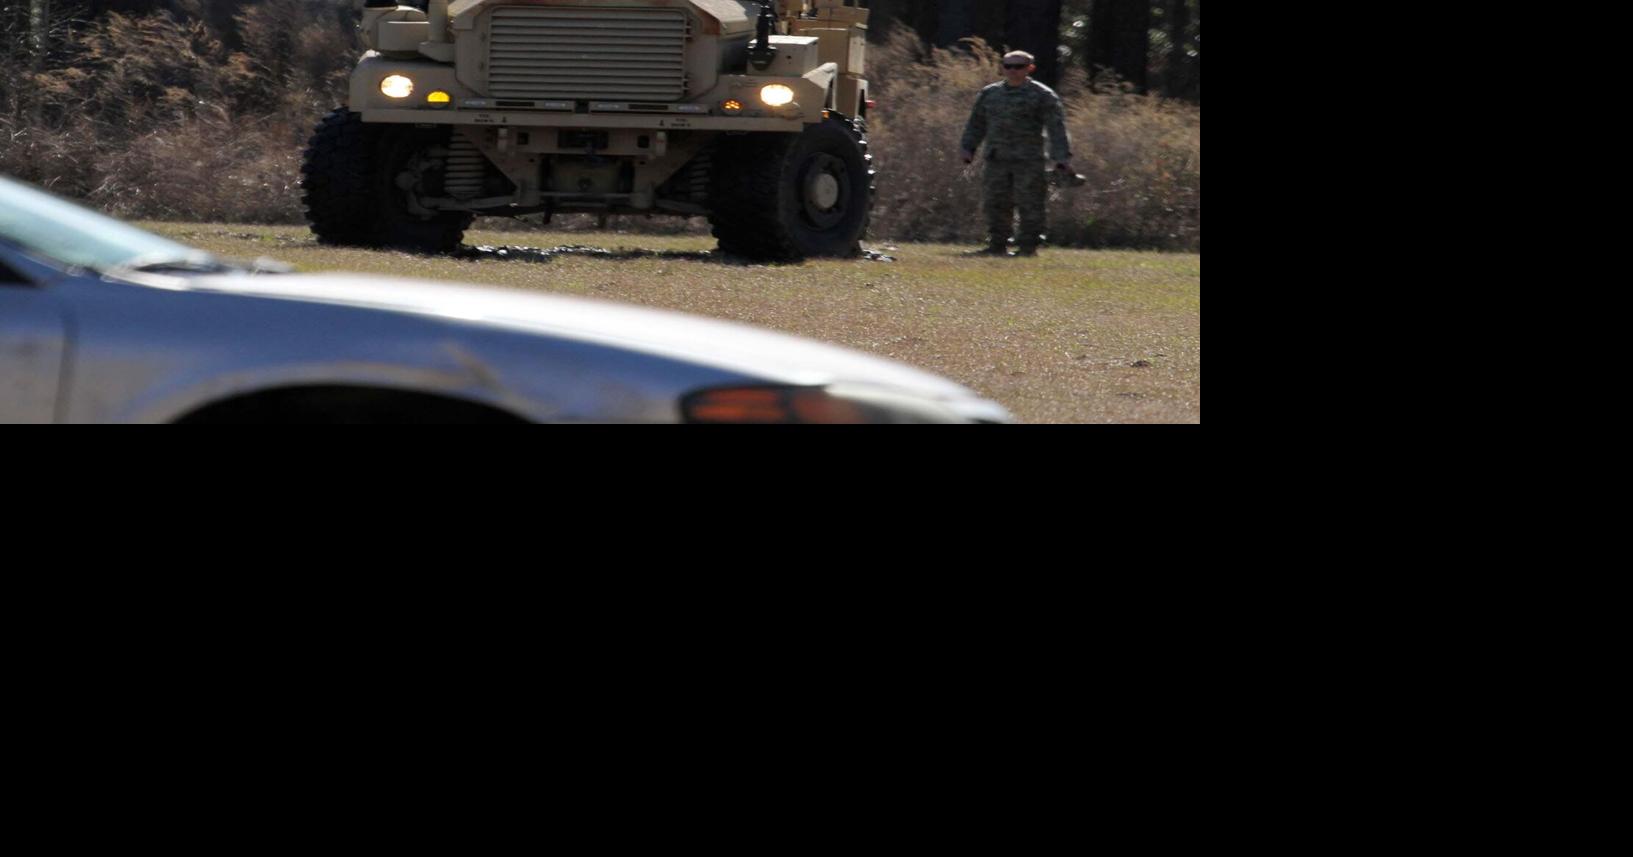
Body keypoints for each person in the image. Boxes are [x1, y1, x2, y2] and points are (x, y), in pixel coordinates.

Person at [959, 50, 1073, 257]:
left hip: (1028, 160)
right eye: (1008, 66)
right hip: (996, 158)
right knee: (995, 203)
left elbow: (1057, 129)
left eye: (1018, 66)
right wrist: (968, 148)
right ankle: (996, 245)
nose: (1012, 71)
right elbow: (976, 123)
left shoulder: (1042, 95)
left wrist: (1062, 158)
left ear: (1030, 68)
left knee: (1030, 204)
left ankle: (1028, 247)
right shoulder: (990, 94)